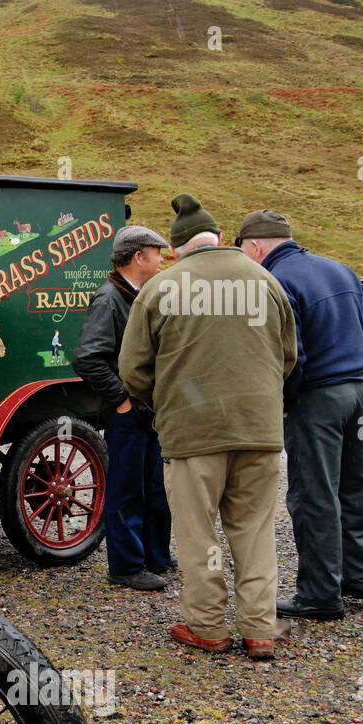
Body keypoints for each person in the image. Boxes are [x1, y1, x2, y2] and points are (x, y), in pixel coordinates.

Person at [118, 194, 297, 659]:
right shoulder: (266, 281)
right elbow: (289, 357)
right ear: (219, 239)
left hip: (191, 434)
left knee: (199, 535)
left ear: (177, 249)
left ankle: (209, 628)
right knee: (255, 531)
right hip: (258, 431)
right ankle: (260, 629)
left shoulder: (161, 287)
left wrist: (165, 400)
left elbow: (133, 369)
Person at [235, 210, 363, 620]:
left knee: (314, 495)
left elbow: (292, 354)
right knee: (353, 487)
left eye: (244, 252)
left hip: (318, 398)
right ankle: (360, 578)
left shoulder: (277, 280)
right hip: (358, 393)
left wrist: (286, 398)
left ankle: (320, 595)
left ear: (256, 246)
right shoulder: (341, 270)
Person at [72, 224, 173, 592]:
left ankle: (155, 556)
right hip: (129, 415)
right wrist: (123, 401)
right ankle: (126, 567)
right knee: (127, 488)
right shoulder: (109, 299)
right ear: (138, 257)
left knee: (154, 486)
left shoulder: (136, 296)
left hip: (149, 414)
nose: (162, 259)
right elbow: (87, 358)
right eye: (156, 252)